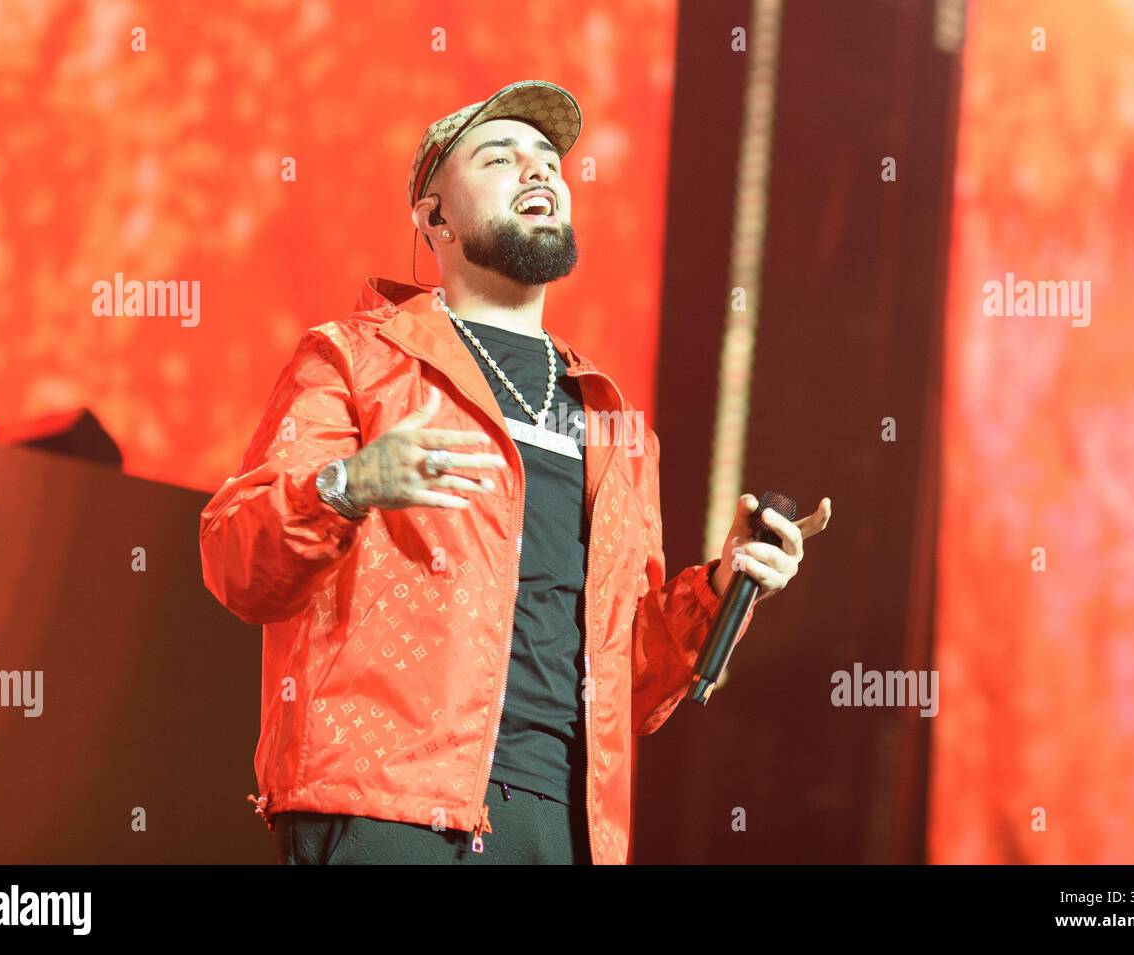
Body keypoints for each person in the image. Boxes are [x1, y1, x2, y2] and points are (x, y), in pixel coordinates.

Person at [198, 79, 830, 865]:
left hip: (562, 824)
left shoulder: (616, 424)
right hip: (390, 809)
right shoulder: (356, 359)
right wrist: (349, 486)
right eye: (500, 157)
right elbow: (237, 562)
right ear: (435, 218)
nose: (539, 173)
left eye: (550, 163)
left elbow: (626, 680)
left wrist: (720, 584)